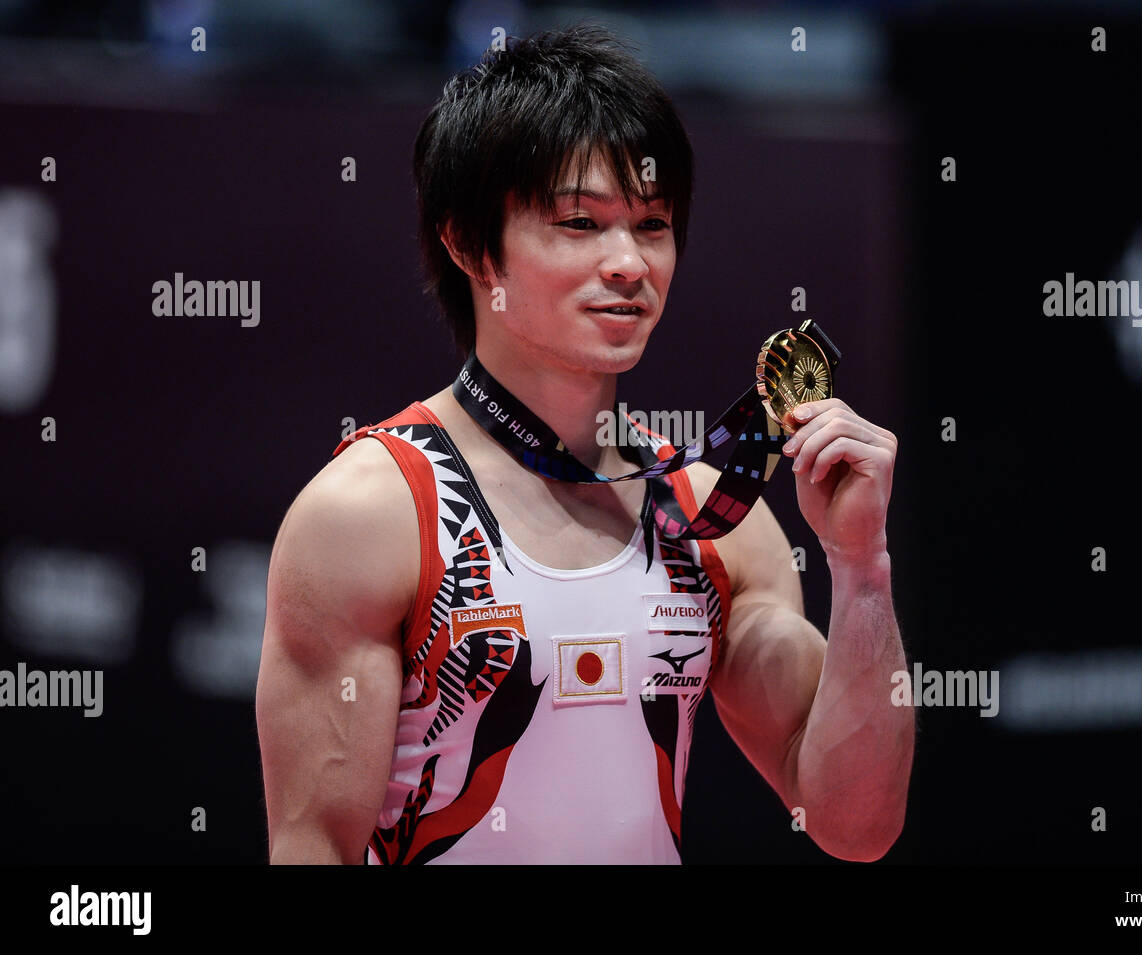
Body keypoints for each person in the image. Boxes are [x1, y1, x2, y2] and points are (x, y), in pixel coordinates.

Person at [255, 22, 913, 865]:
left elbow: (854, 825)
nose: (628, 263)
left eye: (651, 223)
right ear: (467, 244)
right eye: (579, 223)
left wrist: (861, 566)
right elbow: (314, 849)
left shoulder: (716, 520)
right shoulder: (369, 515)